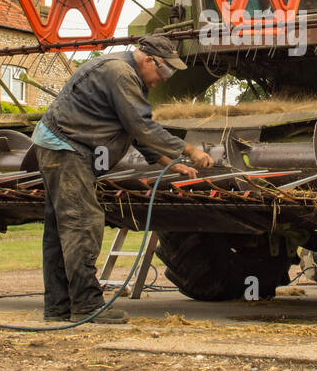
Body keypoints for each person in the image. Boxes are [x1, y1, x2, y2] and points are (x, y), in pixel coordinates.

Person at [32, 34, 213, 323]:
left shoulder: (127, 75)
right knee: (82, 223)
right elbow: (142, 126)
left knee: (59, 229)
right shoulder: (120, 73)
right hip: (67, 149)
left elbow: (133, 132)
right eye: (165, 71)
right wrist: (189, 150)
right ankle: (87, 306)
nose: (163, 80)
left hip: (59, 148)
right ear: (149, 59)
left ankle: (58, 306)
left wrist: (171, 164)